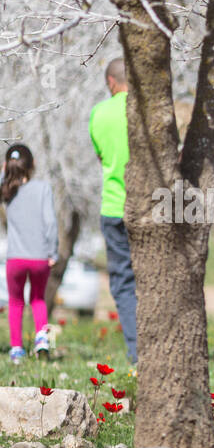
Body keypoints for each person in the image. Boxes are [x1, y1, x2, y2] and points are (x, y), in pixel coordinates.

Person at [89, 57, 138, 363]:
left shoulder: (98, 113)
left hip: (113, 207)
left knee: (122, 281)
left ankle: (136, 353)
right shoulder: (146, 111)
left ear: (111, 82)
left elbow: (101, 158)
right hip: (148, 207)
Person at [1, 144, 58, 362]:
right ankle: (41, 339)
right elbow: (51, 222)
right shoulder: (43, 188)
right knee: (37, 299)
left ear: (8, 165)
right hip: (39, 257)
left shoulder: (7, 190)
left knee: (16, 302)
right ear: (32, 164)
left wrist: (5, 170)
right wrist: (52, 251)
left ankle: (16, 350)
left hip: (15, 258)